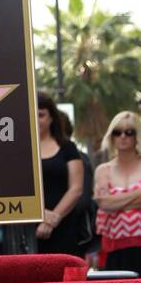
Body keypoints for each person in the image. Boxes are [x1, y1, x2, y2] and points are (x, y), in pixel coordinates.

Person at [35, 92, 86, 256]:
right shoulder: (19, 149)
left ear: (51, 118)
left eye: (41, 115)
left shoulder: (67, 147)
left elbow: (76, 188)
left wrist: (53, 218)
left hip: (64, 225)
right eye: (31, 115)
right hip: (30, 229)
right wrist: (40, 215)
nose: (36, 120)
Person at [93, 111, 141, 273]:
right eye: (117, 132)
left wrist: (116, 202)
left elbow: (108, 202)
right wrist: (137, 196)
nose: (123, 136)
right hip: (114, 250)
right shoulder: (103, 170)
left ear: (137, 136)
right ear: (111, 136)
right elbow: (104, 204)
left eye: (129, 132)